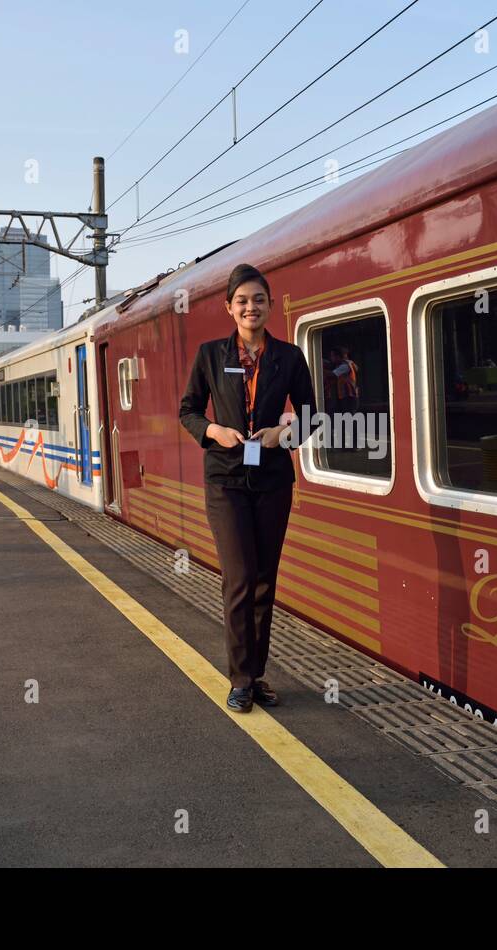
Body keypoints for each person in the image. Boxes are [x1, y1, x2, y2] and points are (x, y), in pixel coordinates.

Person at [179, 263, 317, 713]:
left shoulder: (290, 358)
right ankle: (239, 678)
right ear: (229, 308)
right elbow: (188, 411)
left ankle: (256, 675)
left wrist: (282, 435)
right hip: (226, 479)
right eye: (242, 301)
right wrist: (214, 431)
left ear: (270, 305)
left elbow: (314, 416)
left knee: (263, 581)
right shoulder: (210, 355)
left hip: (273, 478)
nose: (250, 307)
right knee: (239, 578)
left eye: (258, 299)